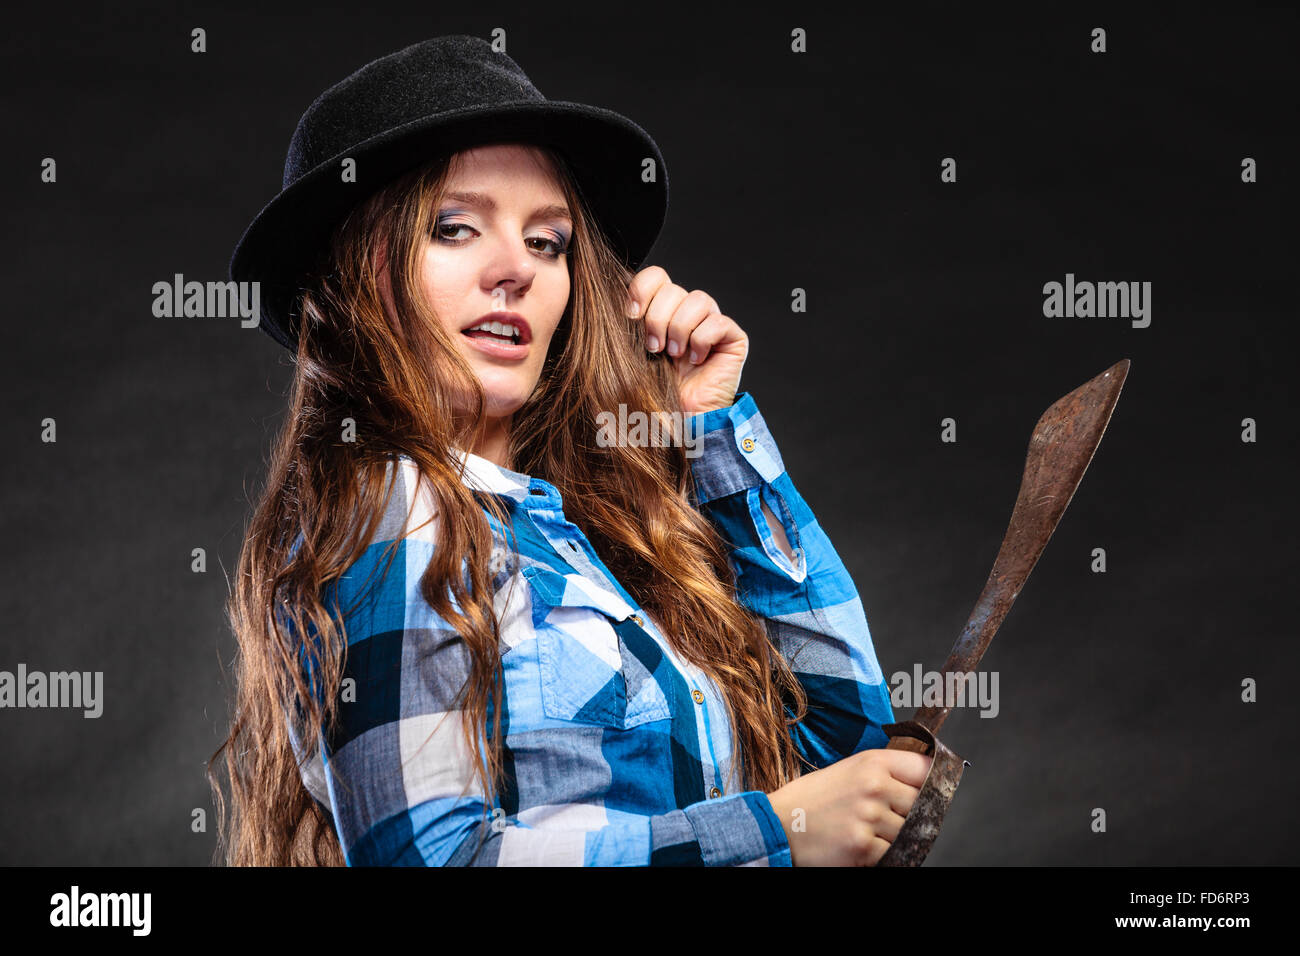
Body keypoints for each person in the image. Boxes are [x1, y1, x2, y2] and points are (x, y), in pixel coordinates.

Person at [209, 34, 931, 867]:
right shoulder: (392, 510)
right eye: (453, 228)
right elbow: (434, 858)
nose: (515, 267)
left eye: (548, 241)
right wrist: (773, 835)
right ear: (350, 281)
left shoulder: (598, 541)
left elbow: (853, 752)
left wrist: (709, 428)